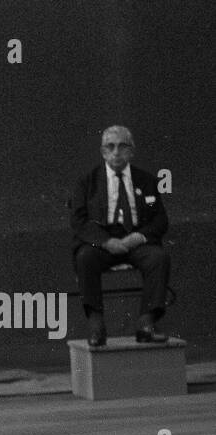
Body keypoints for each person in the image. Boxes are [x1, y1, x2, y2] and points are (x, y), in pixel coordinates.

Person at [70, 126, 171, 347]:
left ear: (132, 151)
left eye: (122, 146)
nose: (116, 152)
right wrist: (105, 241)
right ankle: (96, 324)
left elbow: (160, 220)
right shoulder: (86, 183)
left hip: (135, 240)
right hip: (102, 244)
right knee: (85, 258)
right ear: (103, 152)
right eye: (110, 146)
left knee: (158, 258)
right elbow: (79, 221)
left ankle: (146, 323)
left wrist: (138, 237)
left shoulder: (147, 182)